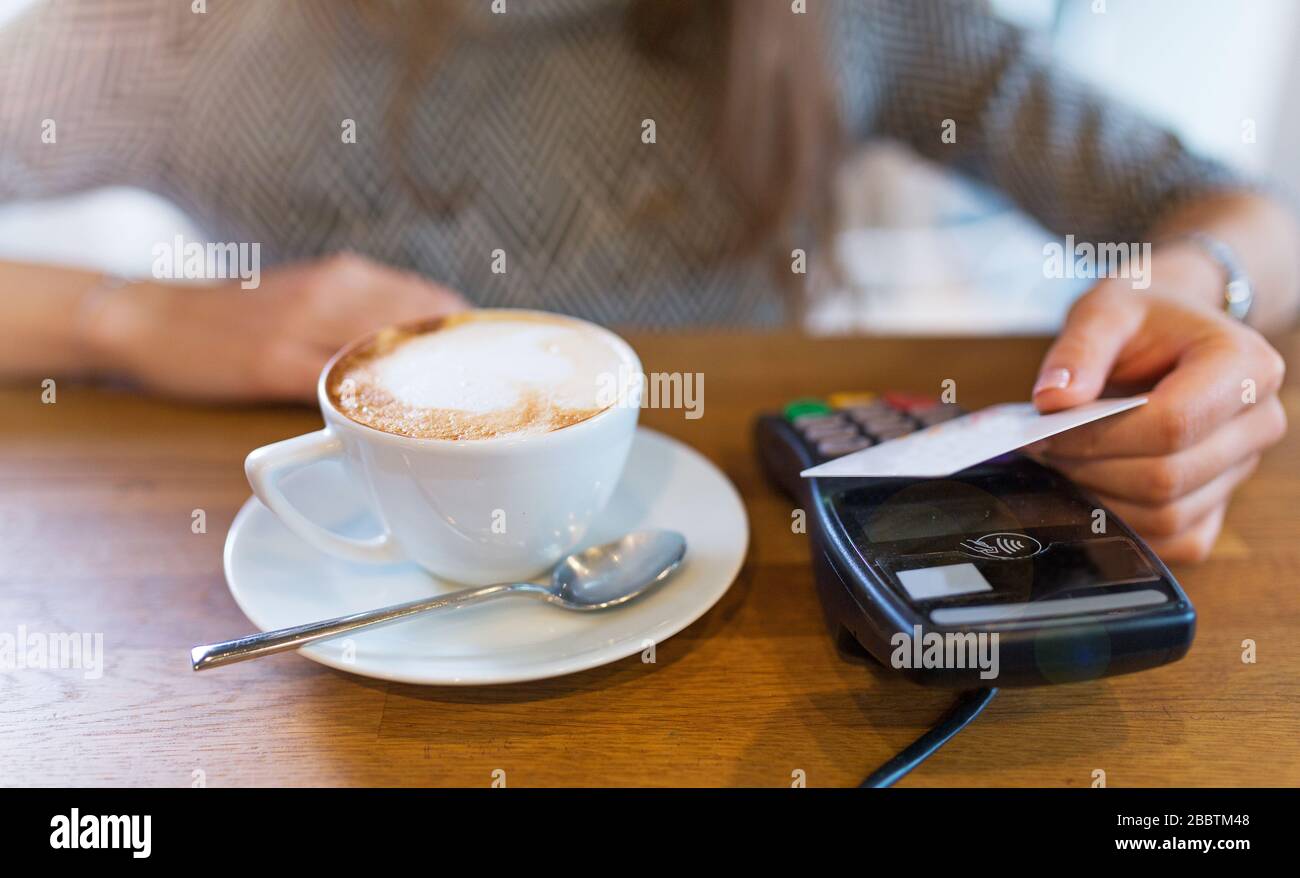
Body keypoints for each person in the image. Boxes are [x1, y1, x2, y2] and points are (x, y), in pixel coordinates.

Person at [0, 0, 1294, 562]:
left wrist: (1203, 287)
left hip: (734, 593)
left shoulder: (843, 20)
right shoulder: (181, 28)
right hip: (310, 615)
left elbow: (1243, 212)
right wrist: (133, 314)